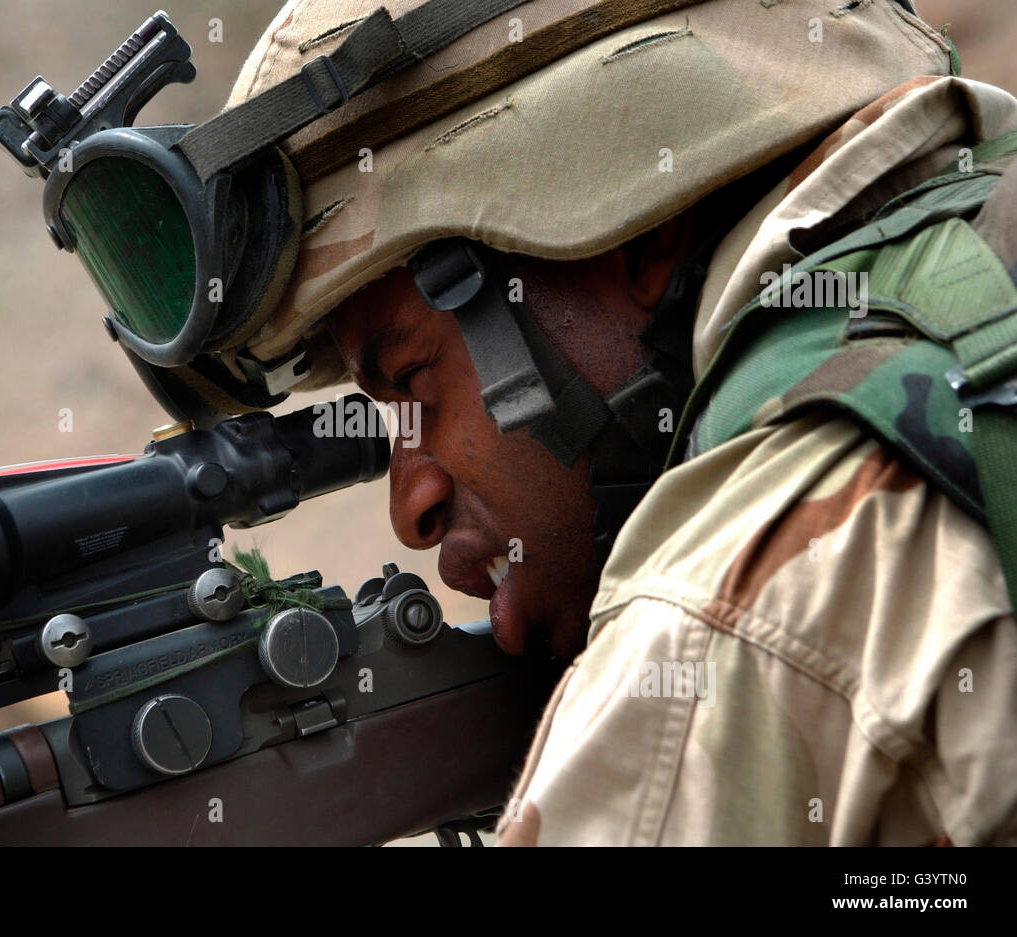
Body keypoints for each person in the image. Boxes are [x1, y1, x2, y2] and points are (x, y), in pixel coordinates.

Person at [132, 0, 1017, 843]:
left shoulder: (723, 613)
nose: (411, 506)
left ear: (638, 228)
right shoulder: (982, 240)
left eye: (411, 381)